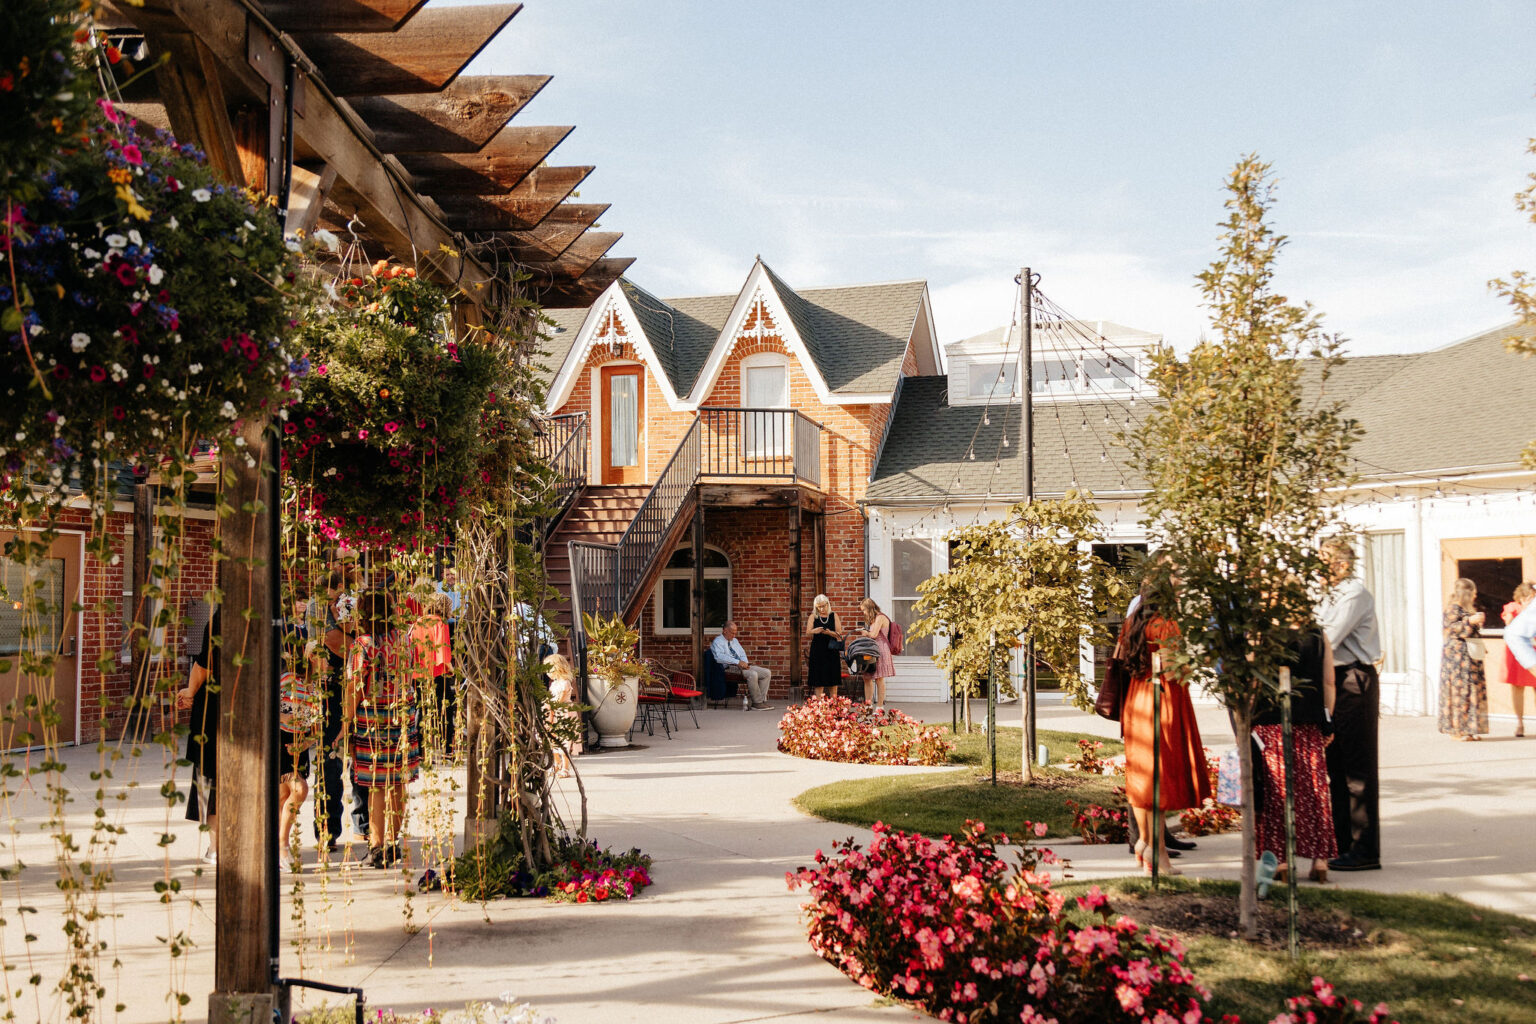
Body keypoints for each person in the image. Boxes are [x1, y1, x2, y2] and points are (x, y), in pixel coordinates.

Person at [1119, 587, 1210, 876]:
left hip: (1136, 699)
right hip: (1161, 701)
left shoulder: (1132, 622)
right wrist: (1192, 662)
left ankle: (1144, 842)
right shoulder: (1166, 624)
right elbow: (1171, 670)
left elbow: (1121, 658)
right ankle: (1157, 853)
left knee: (1141, 777)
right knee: (1159, 778)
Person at [1252, 616, 1338, 889]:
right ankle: (1320, 859)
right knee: (1314, 789)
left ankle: (1280, 859)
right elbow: (1329, 682)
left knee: (1277, 790)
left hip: (1271, 722)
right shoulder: (1318, 634)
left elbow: (1252, 679)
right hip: (1309, 722)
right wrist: (1327, 719)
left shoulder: (1262, 630)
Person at [1316, 536, 1383, 872]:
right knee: (1336, 767)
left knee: (1358, 769)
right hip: (1333, 681)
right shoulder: (1328, 594)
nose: (1317, 567)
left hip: (1353, 679)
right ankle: (1342, 843)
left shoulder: (1353, 594)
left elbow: (1327, 637)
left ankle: (1364, 849)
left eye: (1323, 560)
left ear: (1341, 564)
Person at [346, 591, 421, 868]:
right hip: (401, 715)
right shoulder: (403, 640)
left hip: (372, 719)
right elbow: (411, 676)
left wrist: (346, 722)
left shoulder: (363, 645)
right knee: (398, 782)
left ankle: (377, 847)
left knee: (377, 786)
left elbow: (355, 687)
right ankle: (392, 843)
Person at [315, 568, 369, 852]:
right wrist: (356, 641)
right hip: (332, 688)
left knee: (361, 756)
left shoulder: (354, 602)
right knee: (330, 759)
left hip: (358, 685)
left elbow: (358, 641)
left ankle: (363, 825)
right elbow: (333, 642)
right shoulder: (318, 610)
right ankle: (327, 831)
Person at [176, 609, 221, 864]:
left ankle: (215, 847)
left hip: (212, 709)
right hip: (242, 708)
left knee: (209, 777)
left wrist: (190, 692)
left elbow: (204, 666)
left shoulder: (219, 619)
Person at [1438, 578, 1489, 741]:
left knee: (1471, 690)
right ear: (1466, 593)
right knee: (1460, 691)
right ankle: (1457, 730)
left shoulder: (1466, 609)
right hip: (1457, 658)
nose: (1475, 596)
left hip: (1470, 657)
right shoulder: (1453, 609)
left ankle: (1469, 729)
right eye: (1473, 593)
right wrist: (1470, 620)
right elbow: (1453, 629)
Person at [710, 621, 774, 710]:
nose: (734, 636)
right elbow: (719, 657)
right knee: (752, 674)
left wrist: (745, 663)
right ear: (725, 631)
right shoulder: (718, 642)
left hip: (741, 666)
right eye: (732, 633)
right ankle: (757, 703)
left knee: (766, 672)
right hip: (728, 668)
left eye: (735, 633)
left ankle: (762, 701)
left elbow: (742, 653)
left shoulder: (735, 641)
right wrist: (737, 662)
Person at [1501, 582, 1535, 738]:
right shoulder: (1513, 607)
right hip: (1518, 651)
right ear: (1522, 597)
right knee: (1517, 687)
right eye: (1529, 597)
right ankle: (1520, 723)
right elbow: (1508, 623)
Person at [544, 652, 581, 776]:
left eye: (548, 669)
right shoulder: (554, 683)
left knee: (564, 740)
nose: (547, 673)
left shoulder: (565, 683)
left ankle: (565, 767)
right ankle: (556, 763)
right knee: (553, 738)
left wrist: (549, 705)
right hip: (553, 712)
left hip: (563, 713)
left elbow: (559, 700)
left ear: (557, 668)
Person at [853, 598, 894, 707]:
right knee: (867, 677)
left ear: (869, 608)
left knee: (879, 678)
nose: (864, 613)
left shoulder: (880, 617)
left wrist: (866, 632)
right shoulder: (874, 619)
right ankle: (868, 705)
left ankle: (880, 707)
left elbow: (874, 634)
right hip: (872, 649)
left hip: (881, 649)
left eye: (864, 610)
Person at [806, 594, 842, 699]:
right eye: (819, 607)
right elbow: (808, 632)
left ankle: (834, 704)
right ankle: (819, 704)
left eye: (823, 606)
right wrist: (816, 631)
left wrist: (829, 633)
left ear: (828, 604)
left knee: (833, 678)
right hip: (817, 650)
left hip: (831, 650)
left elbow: (839, 634)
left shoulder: (834, 615)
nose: (821, 609)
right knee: (818, 679)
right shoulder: (813, 616)